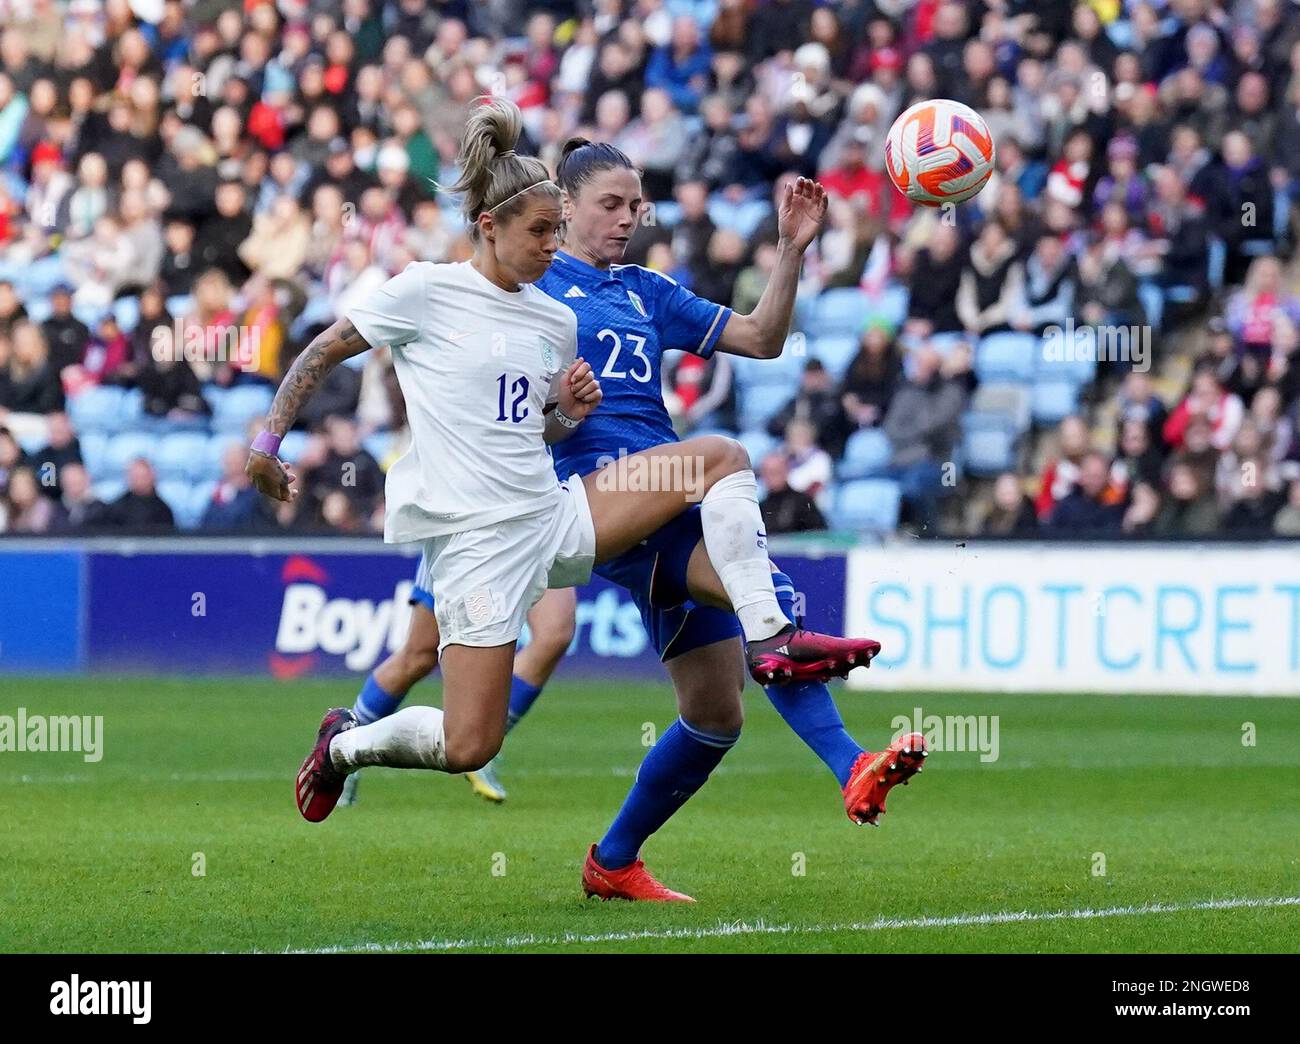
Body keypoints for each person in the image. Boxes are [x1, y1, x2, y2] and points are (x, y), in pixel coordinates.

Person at [247, 100, 892, 889]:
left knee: (721, 592)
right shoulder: (449, 290)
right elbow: (326, 348)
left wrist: (567, 411)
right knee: (468, 741)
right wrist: (267, 444)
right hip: (500, 529)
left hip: (576, 510)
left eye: (632, 207)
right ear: (504, 223)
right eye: (583, 215)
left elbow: (560, 419)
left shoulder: (570, 312)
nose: (566, 240)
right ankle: (346, 744)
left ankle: (766, 694)